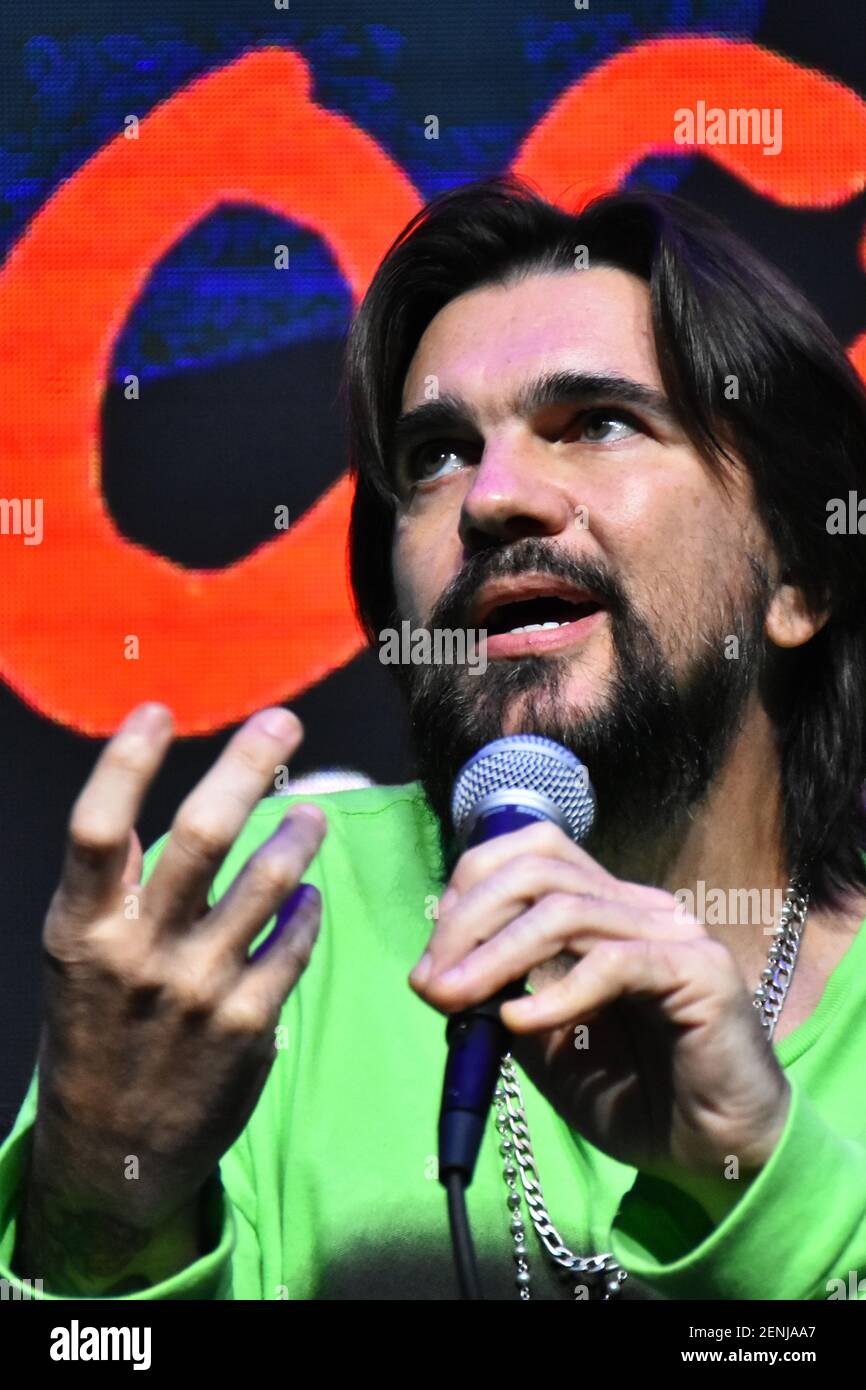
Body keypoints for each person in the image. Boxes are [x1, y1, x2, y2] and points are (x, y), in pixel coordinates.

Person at [2, 175, 866, 1301]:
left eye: (597, 422)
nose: (492, 496)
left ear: (795, 575)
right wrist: (99, 1189)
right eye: (436, 455)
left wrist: (760, 1185)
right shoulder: (254, 915)